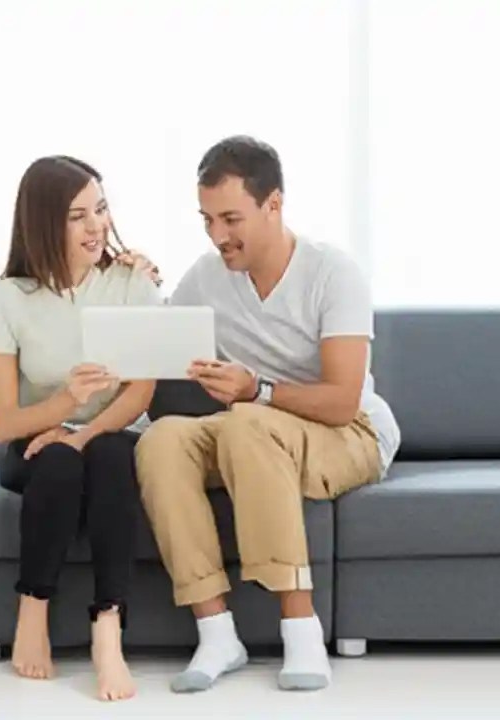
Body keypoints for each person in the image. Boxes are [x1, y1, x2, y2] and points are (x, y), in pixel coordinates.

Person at [135, 136, 402, 693]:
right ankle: (216, 632)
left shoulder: (333, 273)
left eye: (231, 218)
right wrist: (135, 283)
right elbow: (154, 347)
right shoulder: (208, 276)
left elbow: (342, 400)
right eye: (207, 219)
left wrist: (254, 390)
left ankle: (301, 629)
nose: (217, 235)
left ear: (274, 205)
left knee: (246, 422)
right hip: (252, 427)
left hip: (347, 430)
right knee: (161, 442)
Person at [0, 155, 162, 702]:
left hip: (110, 435)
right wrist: (64, 403)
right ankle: (32, 610)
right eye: (78, 216)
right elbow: (5, 421)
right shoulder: (8, 297)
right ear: (44, 224)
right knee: (54, 462)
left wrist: (81, 431)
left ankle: (108, 629)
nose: (97, 226)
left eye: (100, 209)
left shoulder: (131, 282)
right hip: (34, 441)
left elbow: (141, 391)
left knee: (106, 456)